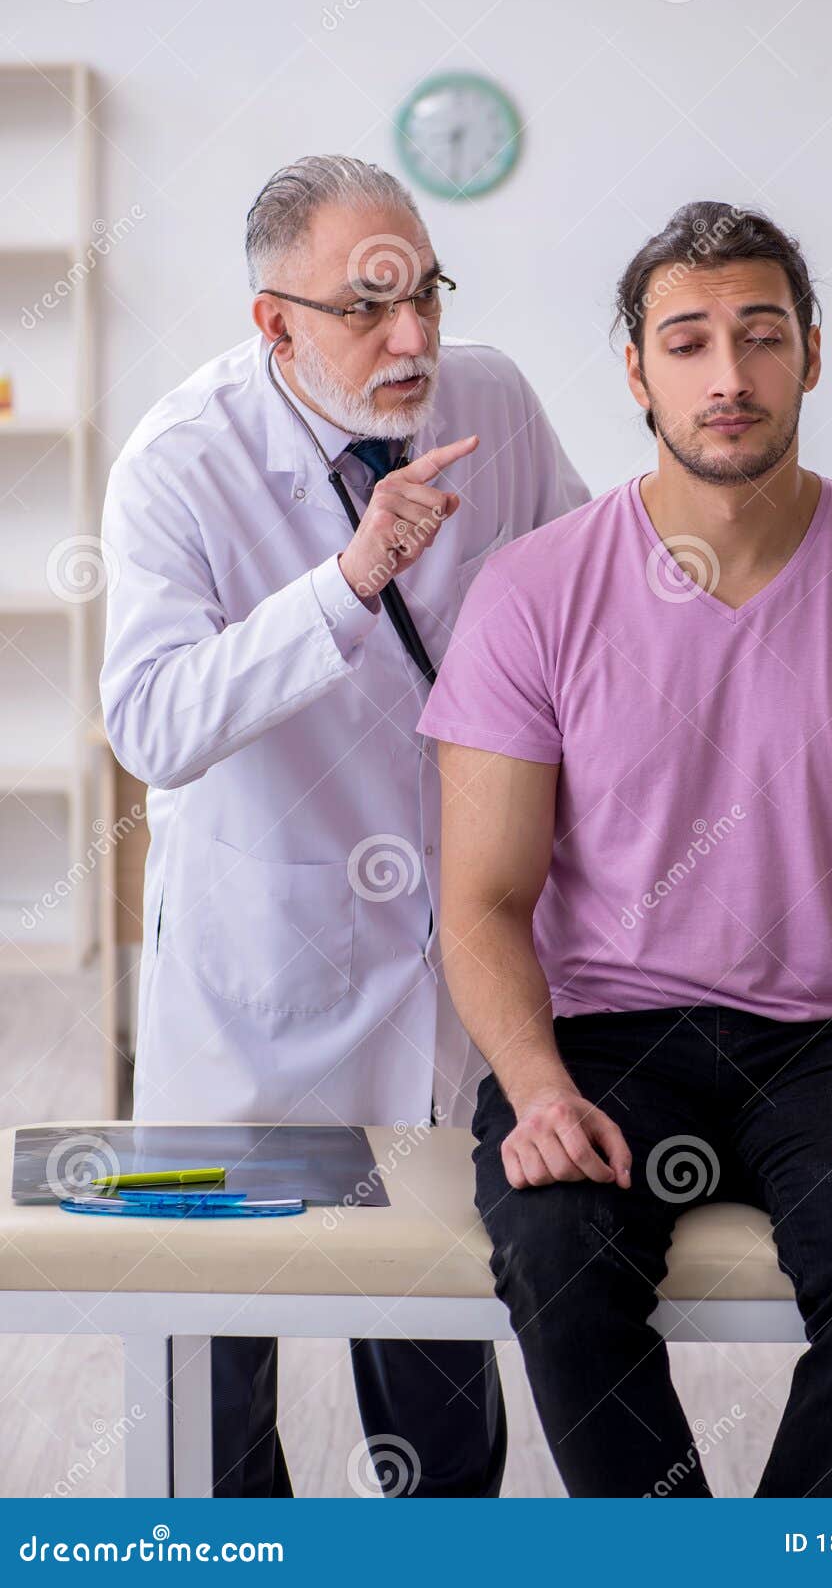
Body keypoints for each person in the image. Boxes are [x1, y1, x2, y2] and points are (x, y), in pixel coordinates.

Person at [416, 201, 832, 1498]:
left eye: (761, 337)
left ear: (811, 354)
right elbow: (481, 897)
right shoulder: (533, 593)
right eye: (688, 341)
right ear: (637, 371)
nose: (730, 375)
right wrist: (534, 1087)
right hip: (601, 1032)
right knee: (555, 1255)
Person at [99, 154, 588, 1497]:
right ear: (275, 321)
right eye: (369, 307)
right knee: (217, 1383)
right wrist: (350, 577)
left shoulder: (492, 402)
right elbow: (149, 721)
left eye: (424, 290)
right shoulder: (179, 461)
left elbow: (595, 600)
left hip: (446, 968)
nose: (413, 337)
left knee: (437, 1368)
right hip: (255, 972)